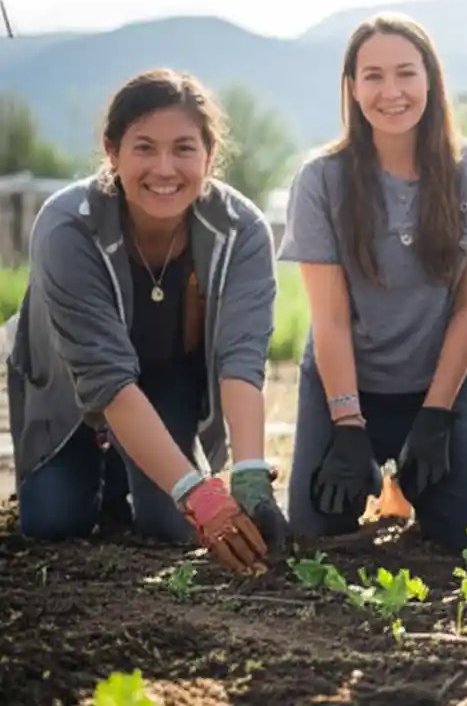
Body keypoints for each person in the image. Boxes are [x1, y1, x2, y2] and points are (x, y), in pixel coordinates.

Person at [8, 68, 283, 575]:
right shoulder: (67, 227)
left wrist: (248, 476)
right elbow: (106, 380)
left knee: (172, 527)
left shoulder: (242, 230)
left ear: (209, 155)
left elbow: (241, 359)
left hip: (167, 376)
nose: (165, 168)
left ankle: (132, 462)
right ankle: (110, 454)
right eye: (144, 148)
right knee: (54, 521)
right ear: (112, 152)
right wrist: (197, 495)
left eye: (183, 148)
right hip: (76, 383)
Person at [279, 13, 467, 550]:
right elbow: (331, 318)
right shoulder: (320, 179)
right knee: (315, 537)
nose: (392, 92)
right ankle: (374, 472)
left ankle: (403, 485)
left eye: (406, 73)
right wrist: (346, 426)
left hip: (438, 387)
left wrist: (436, 416)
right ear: (352, 88)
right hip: (345, 389)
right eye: (374, 76)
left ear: (431, 81)